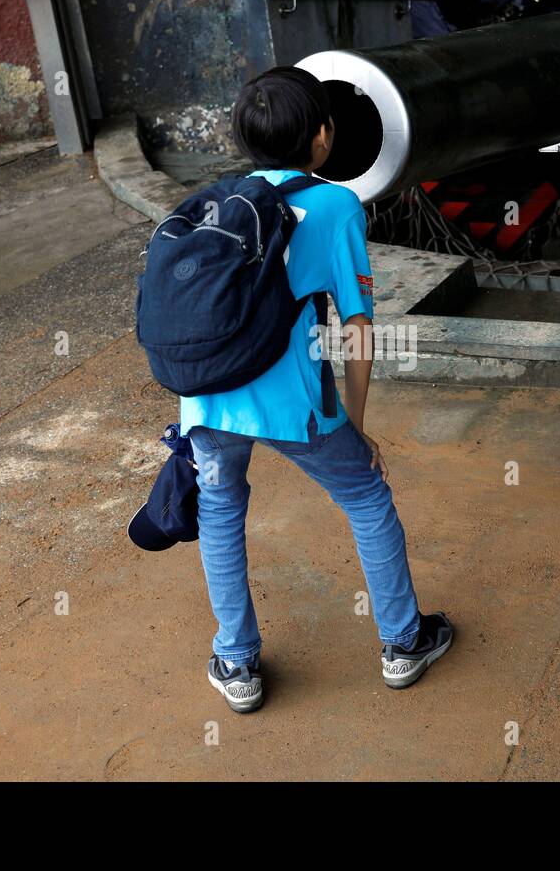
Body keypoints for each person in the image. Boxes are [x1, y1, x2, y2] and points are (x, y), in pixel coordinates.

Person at [181, 67, 453, 713]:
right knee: (365, 493)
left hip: (207, 398)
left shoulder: (217, 199)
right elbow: (357, 327)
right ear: (323, 137)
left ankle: (237, 663)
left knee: (219, 509)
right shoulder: (335, 207)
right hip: (294, 403)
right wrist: (355, 424)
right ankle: (403, 642)